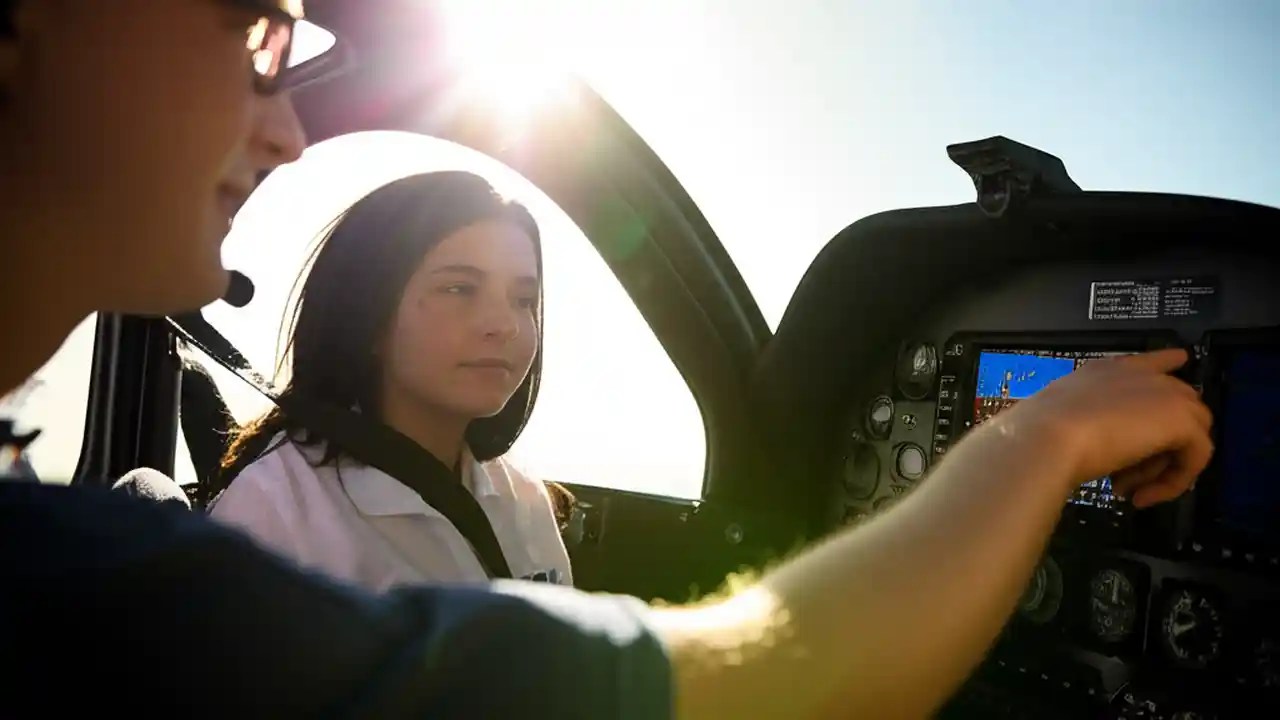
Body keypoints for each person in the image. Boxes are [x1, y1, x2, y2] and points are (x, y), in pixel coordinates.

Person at [0, 2, 1214, 718]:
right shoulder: (245, 528)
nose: (282, 123)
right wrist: (1042, 436)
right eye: (252, 29)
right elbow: (779, 688)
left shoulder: (524, 501)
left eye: (522, 297)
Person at [209, 171, 572, 590]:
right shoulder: (275, 512)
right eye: (459, 289)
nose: (503, 324)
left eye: (523, 300)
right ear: (368, 312)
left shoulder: (522, 497)